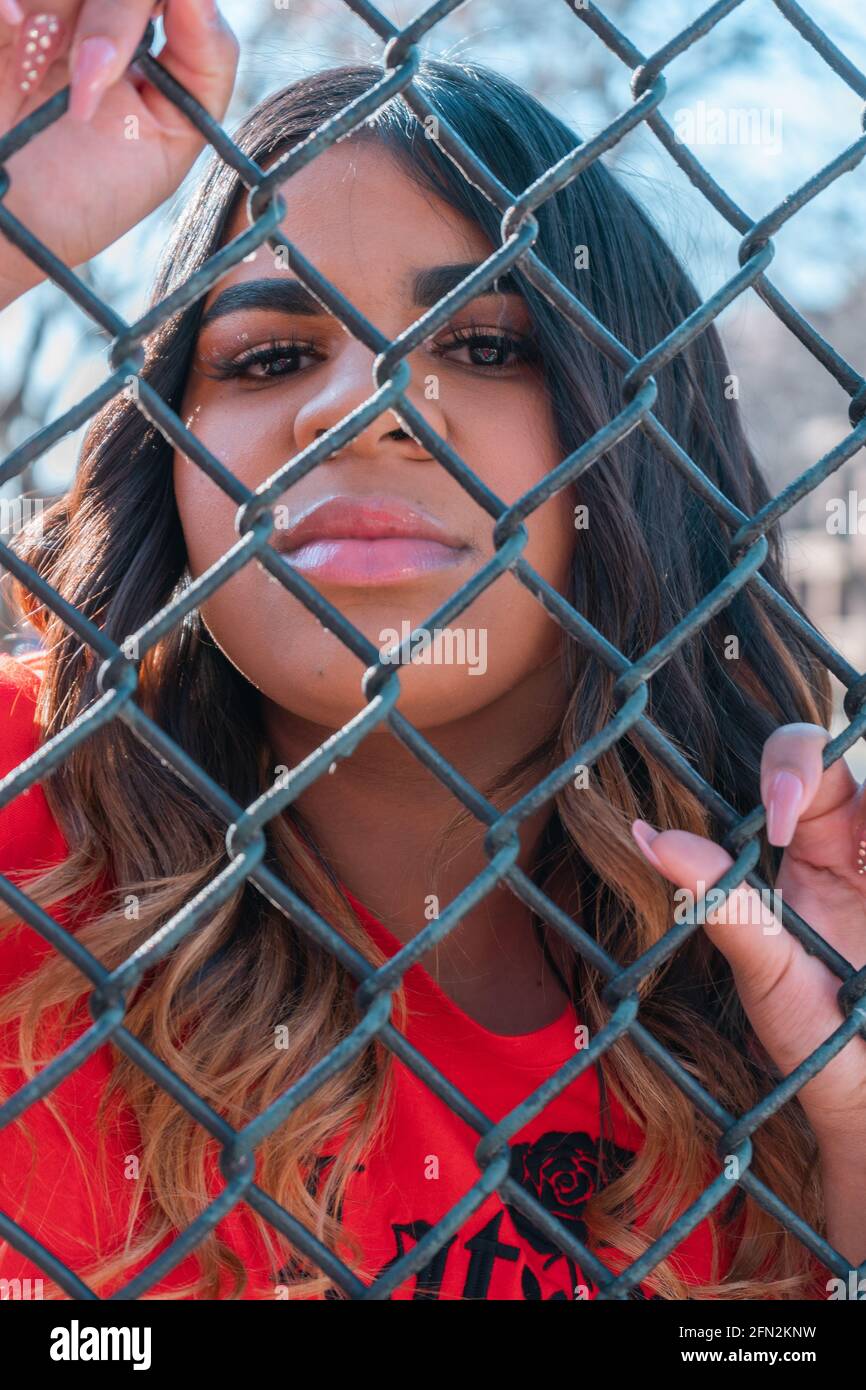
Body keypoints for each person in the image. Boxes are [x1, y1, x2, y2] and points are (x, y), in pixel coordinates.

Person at [0, 0, 864, 1302]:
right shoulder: (28, 809)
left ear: (643, 440)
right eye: (272, 353)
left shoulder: (798, 929)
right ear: (164, 470)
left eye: (481, 342)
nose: (362, 402)